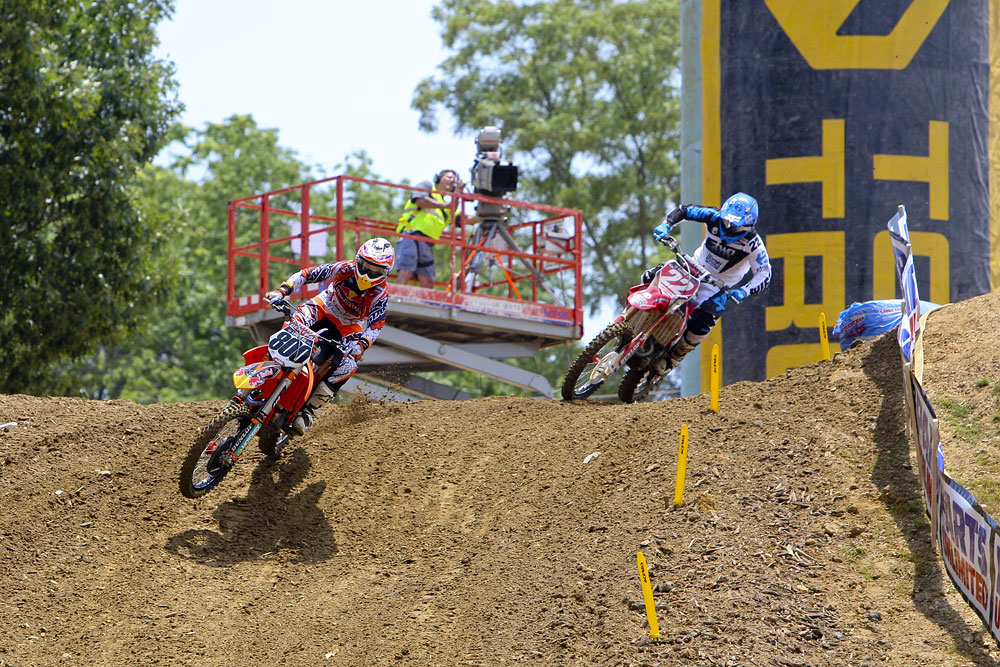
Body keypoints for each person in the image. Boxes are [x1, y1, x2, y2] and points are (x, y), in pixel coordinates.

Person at [264, 237, 394, 434]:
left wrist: (361, 346)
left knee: (348, 365)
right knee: (293, 323)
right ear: (358, 260)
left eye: (375, 270)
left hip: (349, 326)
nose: (368, 272)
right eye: (366, 265)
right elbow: (307, 274)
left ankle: (309, 412)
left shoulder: (380, 293)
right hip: (324, 306)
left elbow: (376, 325)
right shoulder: (344, 268)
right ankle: (265, 369)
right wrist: (282, 291)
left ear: (385, 272)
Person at [643, 192, 771, 375]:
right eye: (727, 222)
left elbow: (764, 272)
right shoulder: (713, 216)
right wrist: (666, 224)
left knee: (707, 316)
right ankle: (631, 319)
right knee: (651, 276)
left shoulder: (753, 244)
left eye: (737, 226)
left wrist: (744, 291)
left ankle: (676, 356)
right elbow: (685, 210)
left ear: (749, 226)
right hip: (692, 267)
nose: (730, 228)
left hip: (717, 286)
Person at [395, 169, 463, 288]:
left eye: (454, 180)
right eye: (449, 177)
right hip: (410, 235)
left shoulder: (448, 208)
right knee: (406, 269)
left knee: (427, 278)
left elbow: (466, 220)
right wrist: (445, 205)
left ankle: (424, 300)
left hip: (427, 243)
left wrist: (485, 213)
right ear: (438, 179)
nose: (452, 181)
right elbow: (420, 200)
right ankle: (397, 295)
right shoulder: (427, 187)